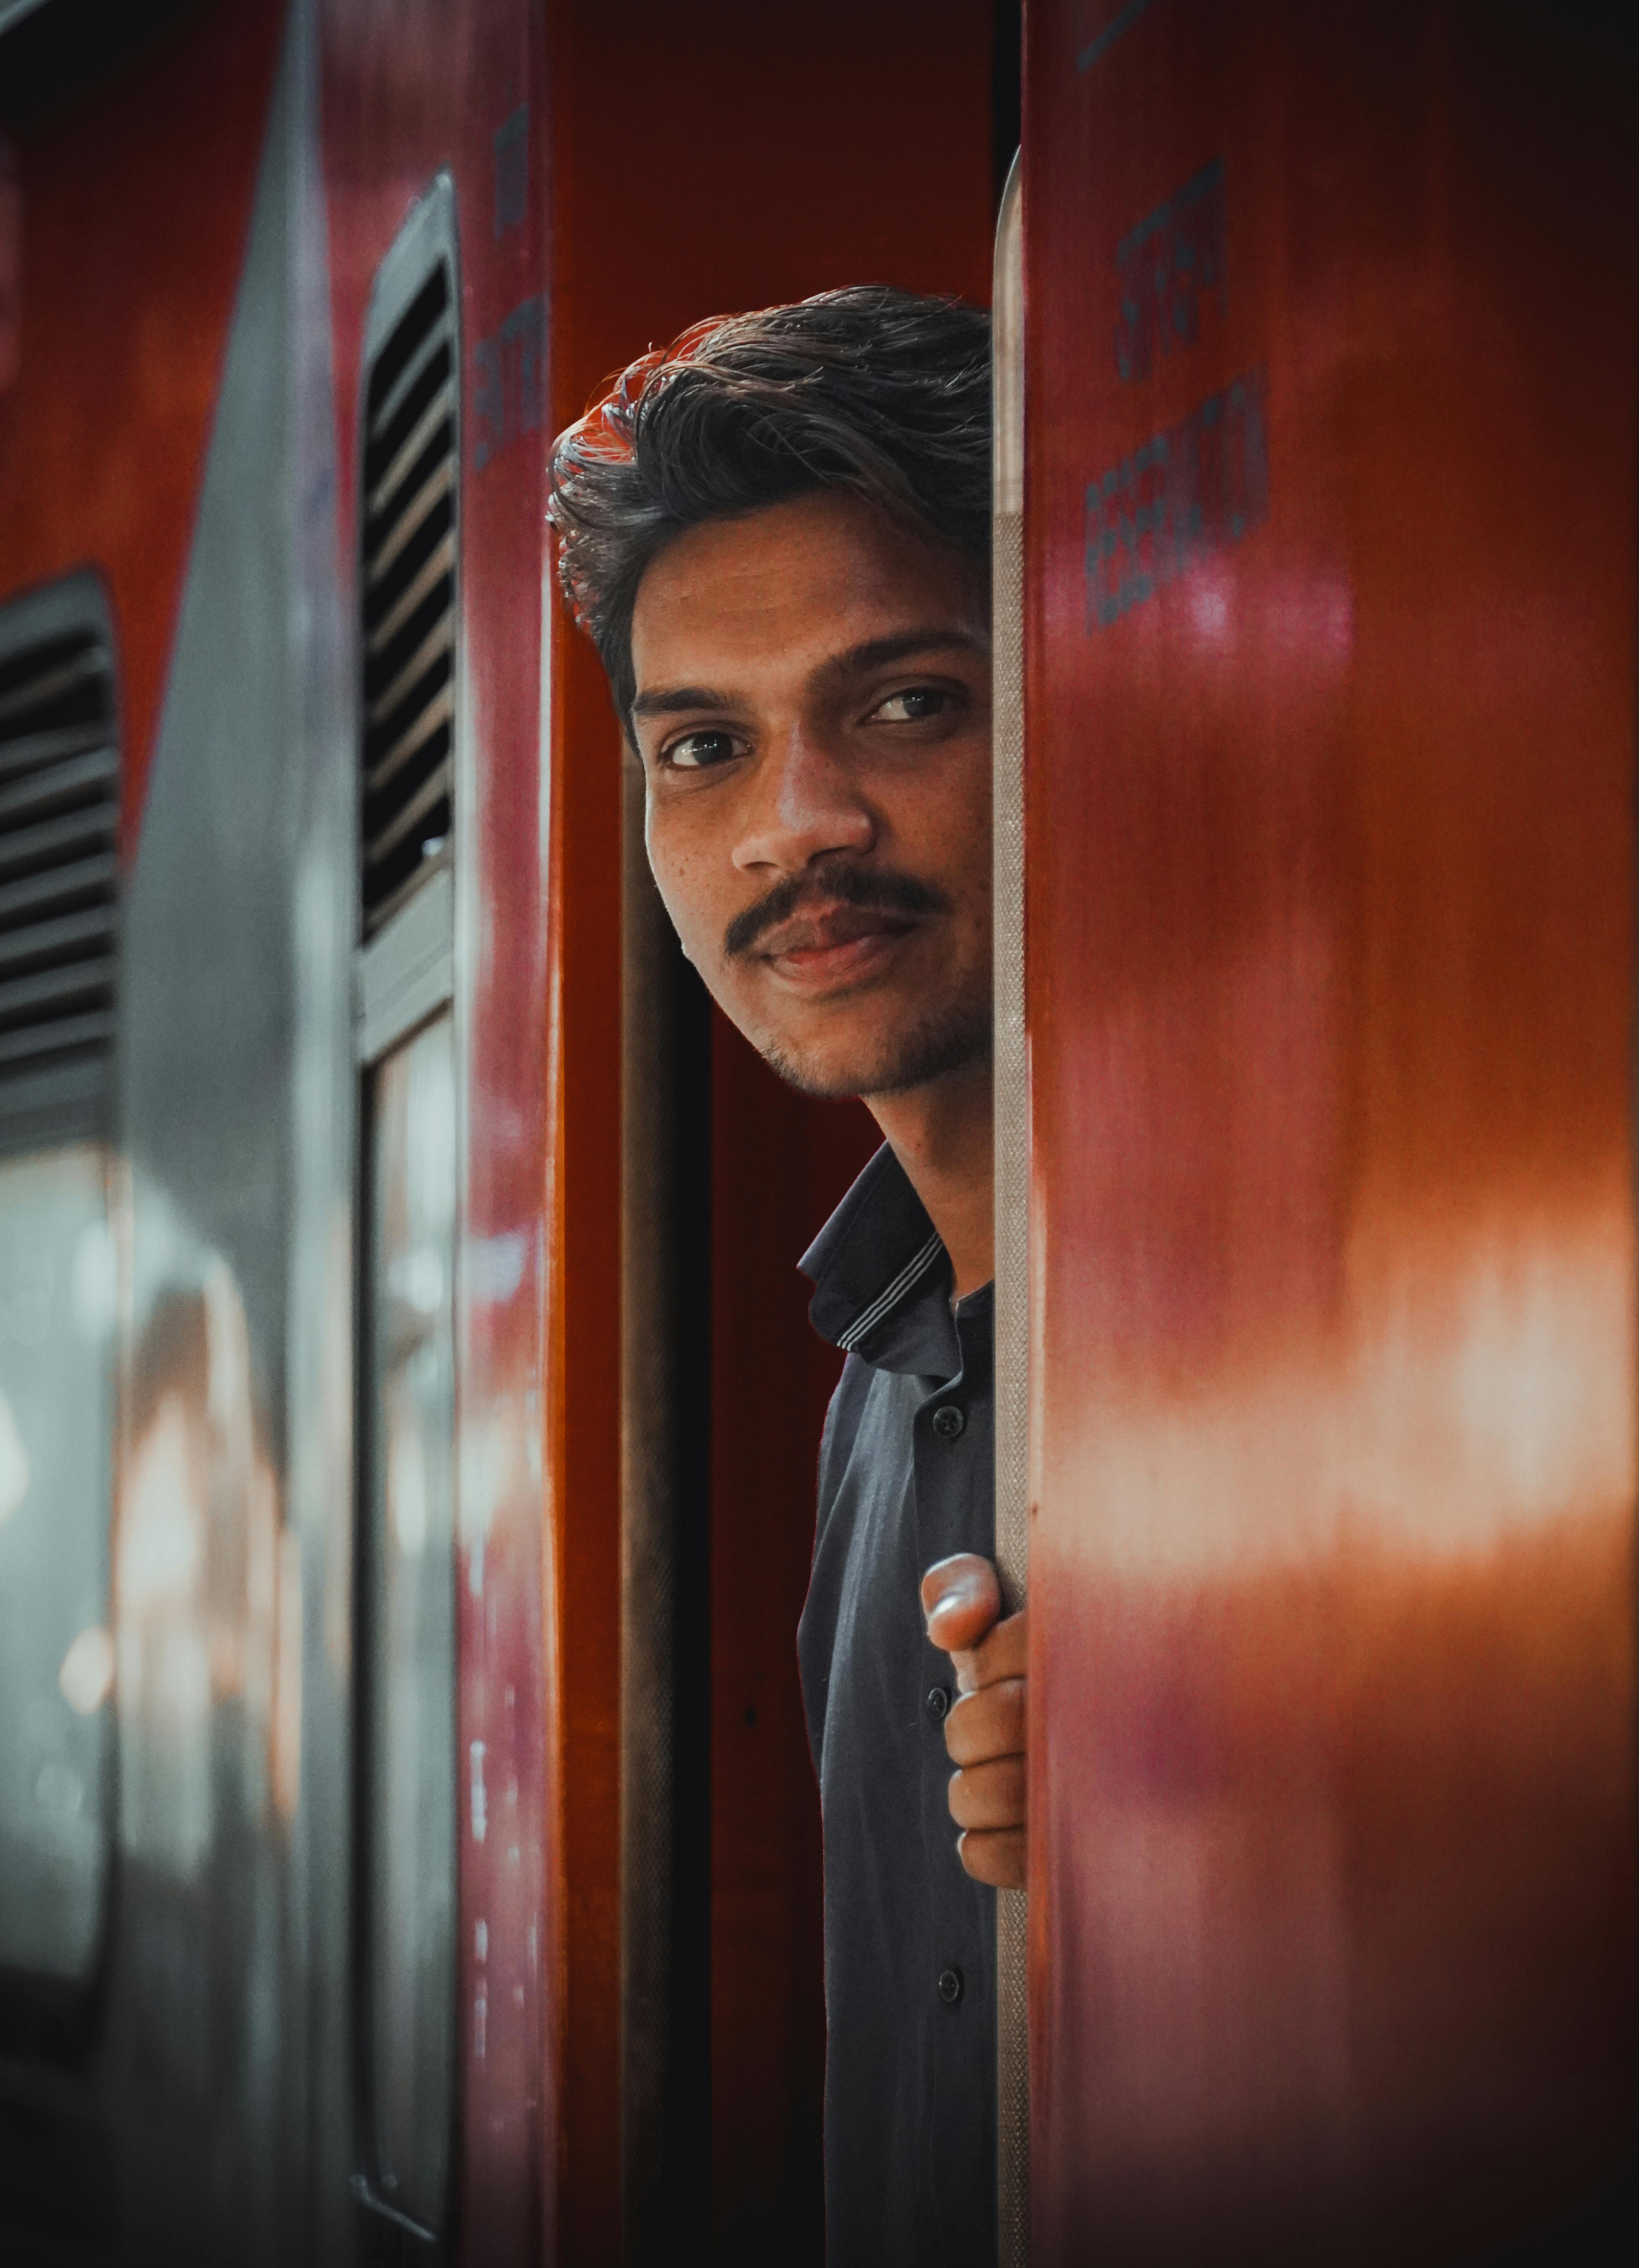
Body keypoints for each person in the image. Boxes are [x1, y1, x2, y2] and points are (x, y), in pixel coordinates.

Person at [548, 288, 1025, 2266]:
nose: (794, 827)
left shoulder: (1293, 1374)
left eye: (906, 702)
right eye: (704, 749)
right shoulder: (873, 1403)